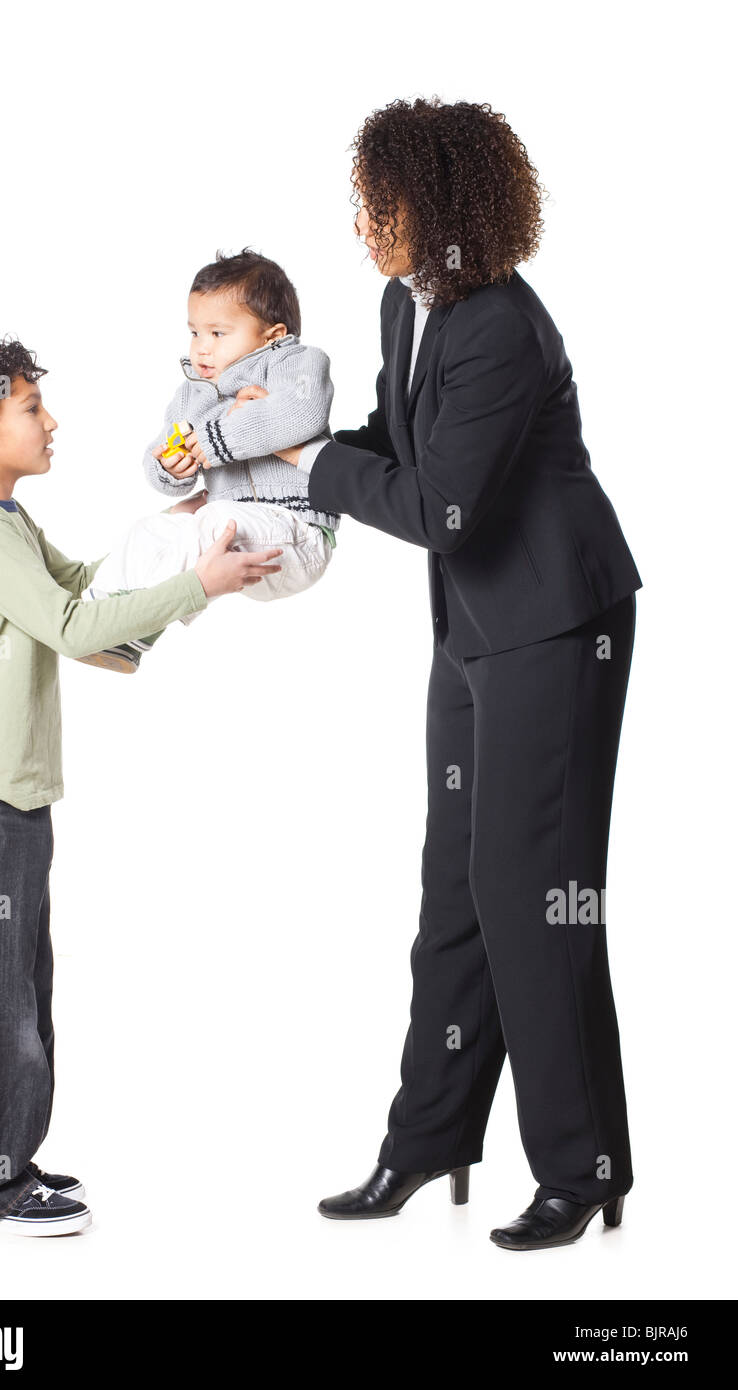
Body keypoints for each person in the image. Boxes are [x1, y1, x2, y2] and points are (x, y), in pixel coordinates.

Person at [275, 97, 643, 1251]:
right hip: (475, 629)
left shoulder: (500, 328)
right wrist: (268, 456)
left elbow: (439, 506)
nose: (362, 225)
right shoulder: (408, 302)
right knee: (455, 888)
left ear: (431, 207)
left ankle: (581, 1167)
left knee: (536, 899)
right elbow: (397, 444)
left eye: (377, 204)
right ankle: (428, 1140)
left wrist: (313, 464)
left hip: (554, 622)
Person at [0, 336, 282, 1235]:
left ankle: (4, 1161)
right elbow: (73, 625)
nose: (50, 419)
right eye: (31, 407)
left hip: (6, 787)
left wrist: (177, 532)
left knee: (23, 981)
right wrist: (198, 584)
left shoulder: (1, 520)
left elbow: (77, 584)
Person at [79, 249, 339, 673]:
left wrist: (216, 437)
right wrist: (170, 466)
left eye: (218, 333)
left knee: (212, 518)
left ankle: (137, 624)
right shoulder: (193, 394)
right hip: (237, 543)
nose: (201, 348)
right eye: (195, 332)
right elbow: (162, 452)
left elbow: (298, 414)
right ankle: (97, 610)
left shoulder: (295, 363)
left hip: (298, 535)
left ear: (272, 335)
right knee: (156, 526)